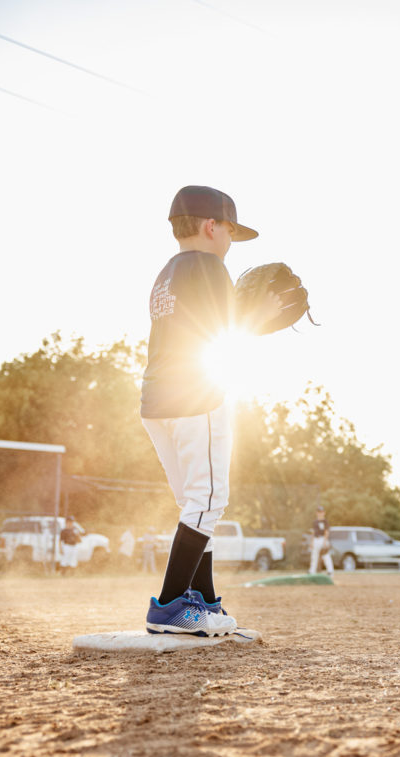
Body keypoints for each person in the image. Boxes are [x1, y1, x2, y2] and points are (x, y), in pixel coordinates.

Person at [139, 185, 281, 637]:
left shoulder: (168, 271)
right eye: (230, 232)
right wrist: (268, 312)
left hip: (157, 402)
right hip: (196, 398)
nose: (230, 243)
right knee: (208, 502)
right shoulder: (211, 268)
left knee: (194, 506)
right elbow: (228, 332)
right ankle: (168, 607)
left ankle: (204, 603)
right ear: (210, 225)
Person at [307, 505, 334, 576]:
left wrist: (325, 541)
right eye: (319, 512)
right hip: (316, 539)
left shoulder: (325, 521)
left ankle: (330, 571)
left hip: (323, 539)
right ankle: (312, 571)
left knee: (325, 555)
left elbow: (326, 532)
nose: (320, 513)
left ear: (324, 513)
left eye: (321, 512)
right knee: (314, 556)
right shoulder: (314, 522)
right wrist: (311, 542)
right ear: (317, 513)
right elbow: (313, 532)